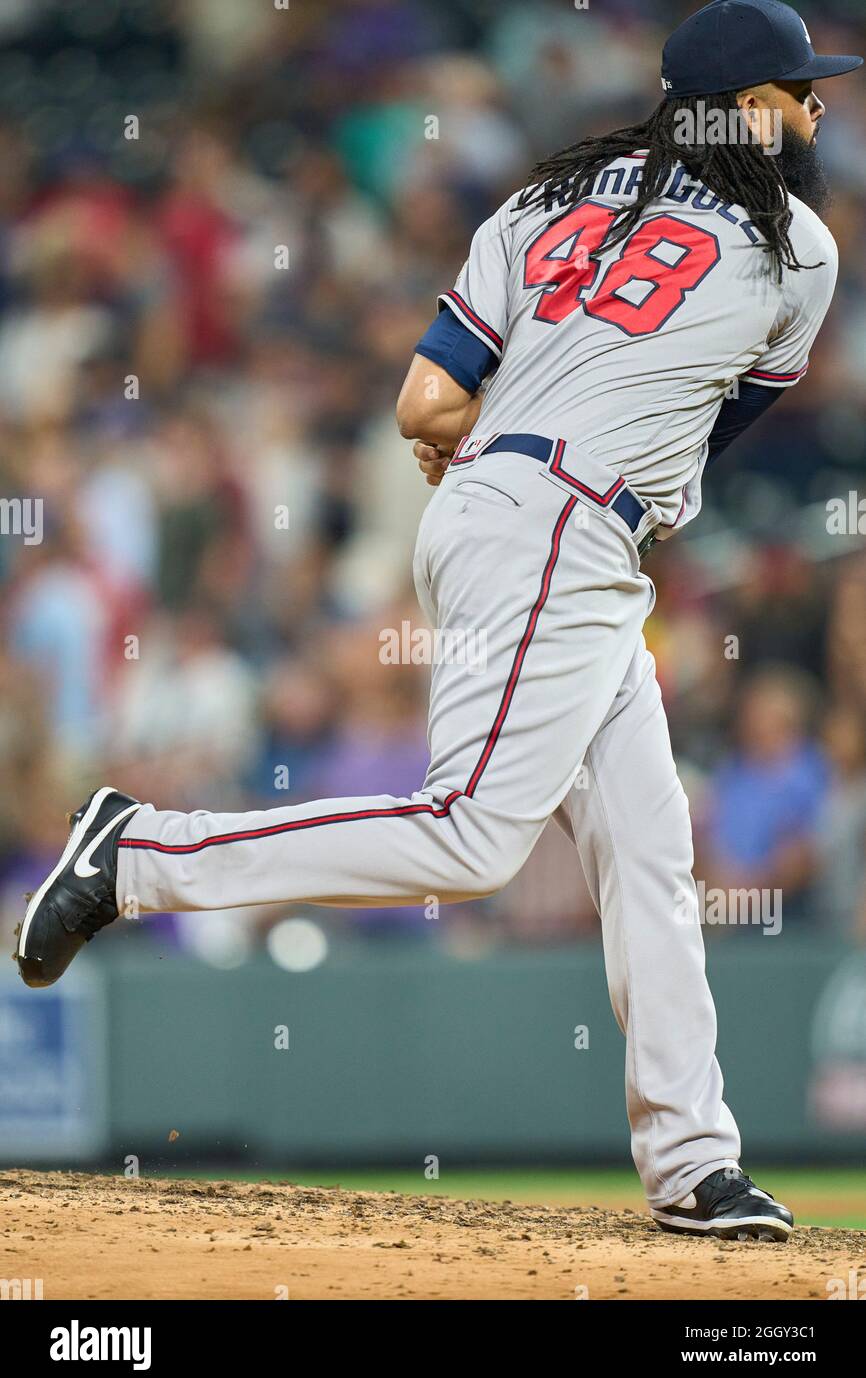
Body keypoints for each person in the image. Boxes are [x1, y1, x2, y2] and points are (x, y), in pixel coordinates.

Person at [17, 1, 862, 1242]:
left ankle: (691, 1160)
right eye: (798, 92)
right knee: (471, 837)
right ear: (746, 109)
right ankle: (137, 852)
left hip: (504, 511)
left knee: (649, 854)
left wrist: (509, 446)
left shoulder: (540, 200)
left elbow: (423, 404)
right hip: (564, 531)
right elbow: (706, 439)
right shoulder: (796, 241)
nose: (818, 107)